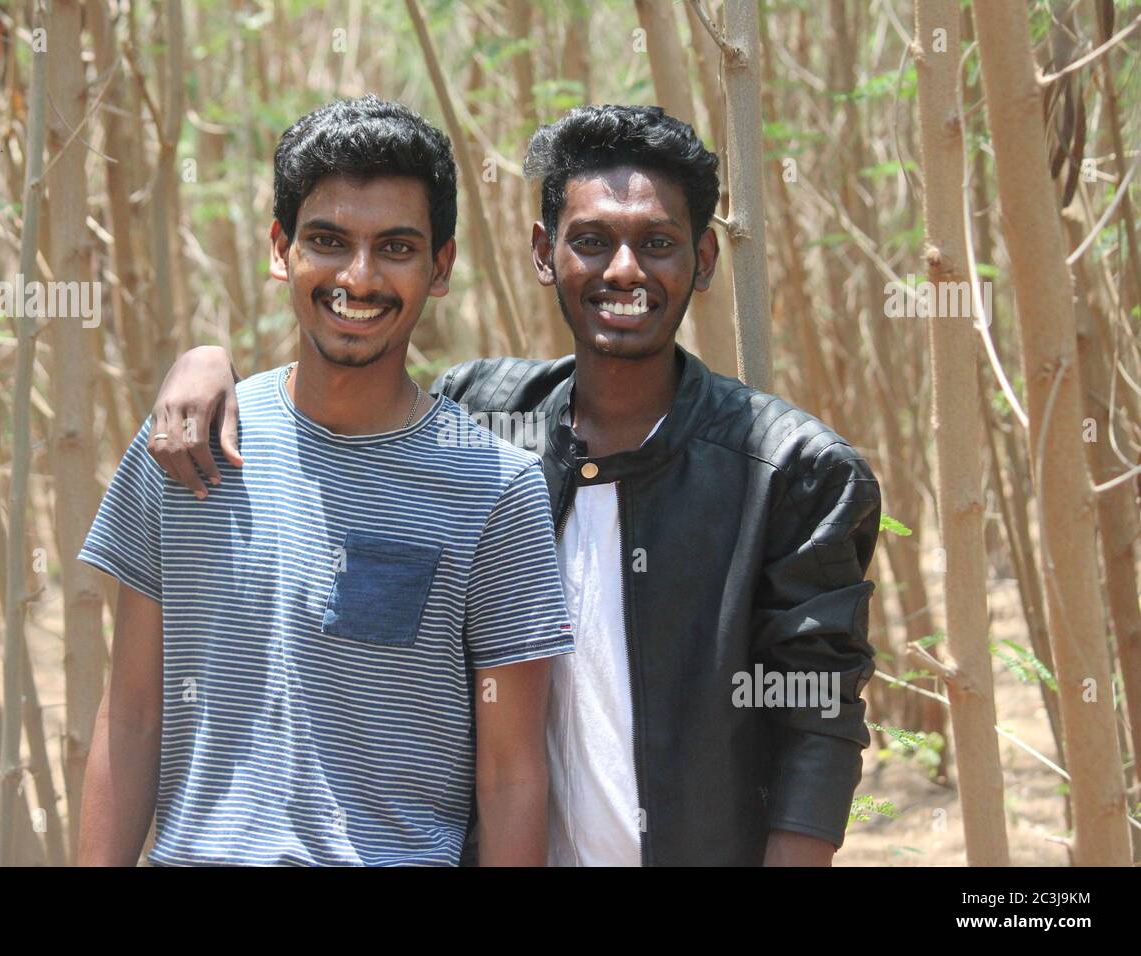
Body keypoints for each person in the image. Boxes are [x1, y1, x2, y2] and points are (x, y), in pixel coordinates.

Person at [148, 104, 882, 866]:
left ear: (701, 259)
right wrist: (208, 363)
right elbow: (349, 403)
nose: (624, 270)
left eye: (657, 244)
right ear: (544, 252)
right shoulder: (485, 420)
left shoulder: (789, 473)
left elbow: (817, 722)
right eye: (592, 242)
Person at [76, 96, 573, 866]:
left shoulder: (496, 489)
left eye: (397, 247)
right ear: (282, 249)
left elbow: (512, 775)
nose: (359, 276)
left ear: (440, 268)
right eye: (328, 240)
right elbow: (134, 715)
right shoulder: (184, 446)